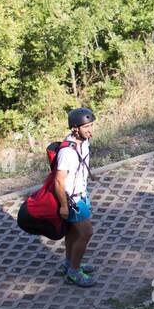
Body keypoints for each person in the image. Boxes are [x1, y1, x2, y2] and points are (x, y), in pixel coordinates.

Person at [55, 108, 96, 287]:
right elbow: (58, 181)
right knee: (86, 233)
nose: (90, 129)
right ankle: (74, 272)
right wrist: (64, 206)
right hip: (72, 200)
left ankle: (69, 263)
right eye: (86, 126)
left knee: (73, 232)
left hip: (81, 194)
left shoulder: (84, 141)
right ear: (75, 128)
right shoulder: (67, 152)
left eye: (92, 125)